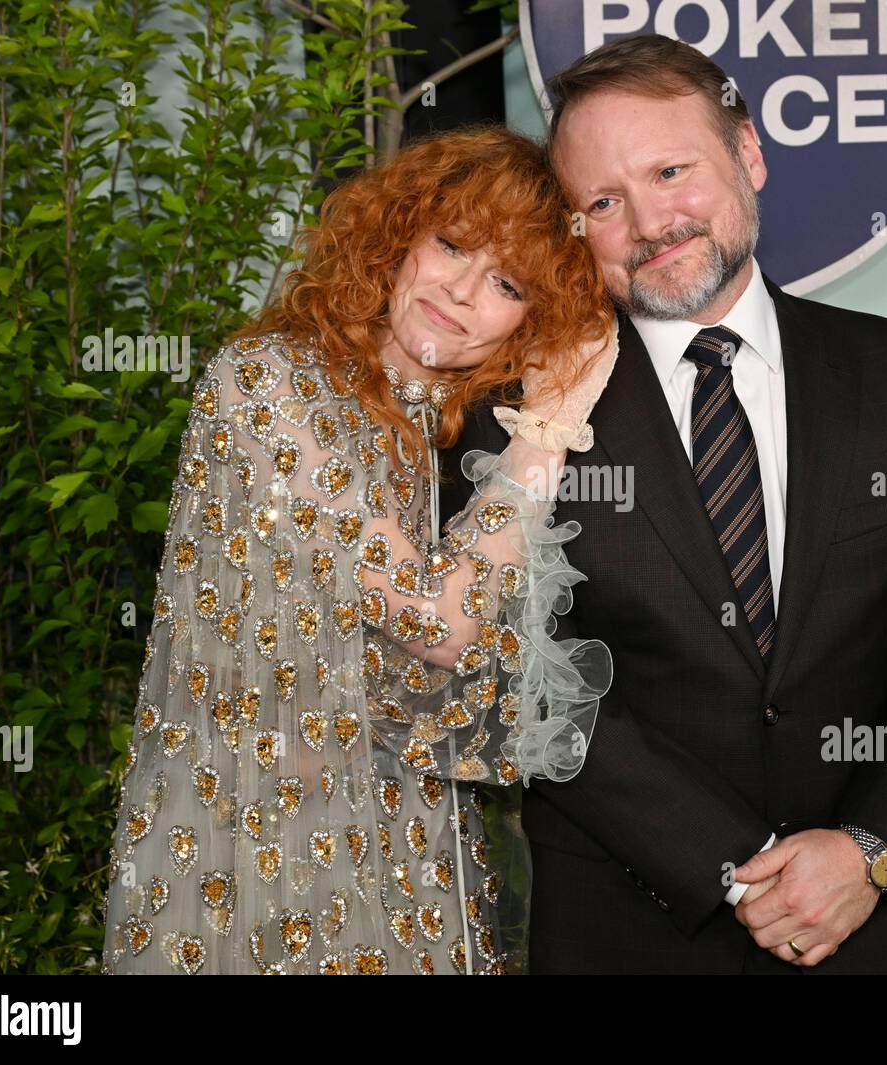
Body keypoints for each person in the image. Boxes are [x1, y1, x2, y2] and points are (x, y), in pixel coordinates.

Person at [443, 34, 887, 974]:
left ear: (749, 154)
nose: (652, 223)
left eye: (672, 170)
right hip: (633, 930)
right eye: (605, 202)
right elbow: (518, 671)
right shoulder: (517, 408)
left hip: (876, 930)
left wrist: (866, 848)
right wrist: (743, 874)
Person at [99, 125, 618, 974]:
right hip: (250, 867)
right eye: (450, 242)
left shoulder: (439, 442)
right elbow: (436, 625)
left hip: (414, 871)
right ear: (397, 234)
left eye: (506, 282)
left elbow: (423, 699)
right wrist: (546, 435)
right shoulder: (270, 380)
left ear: (536, 321)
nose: (458, 289)